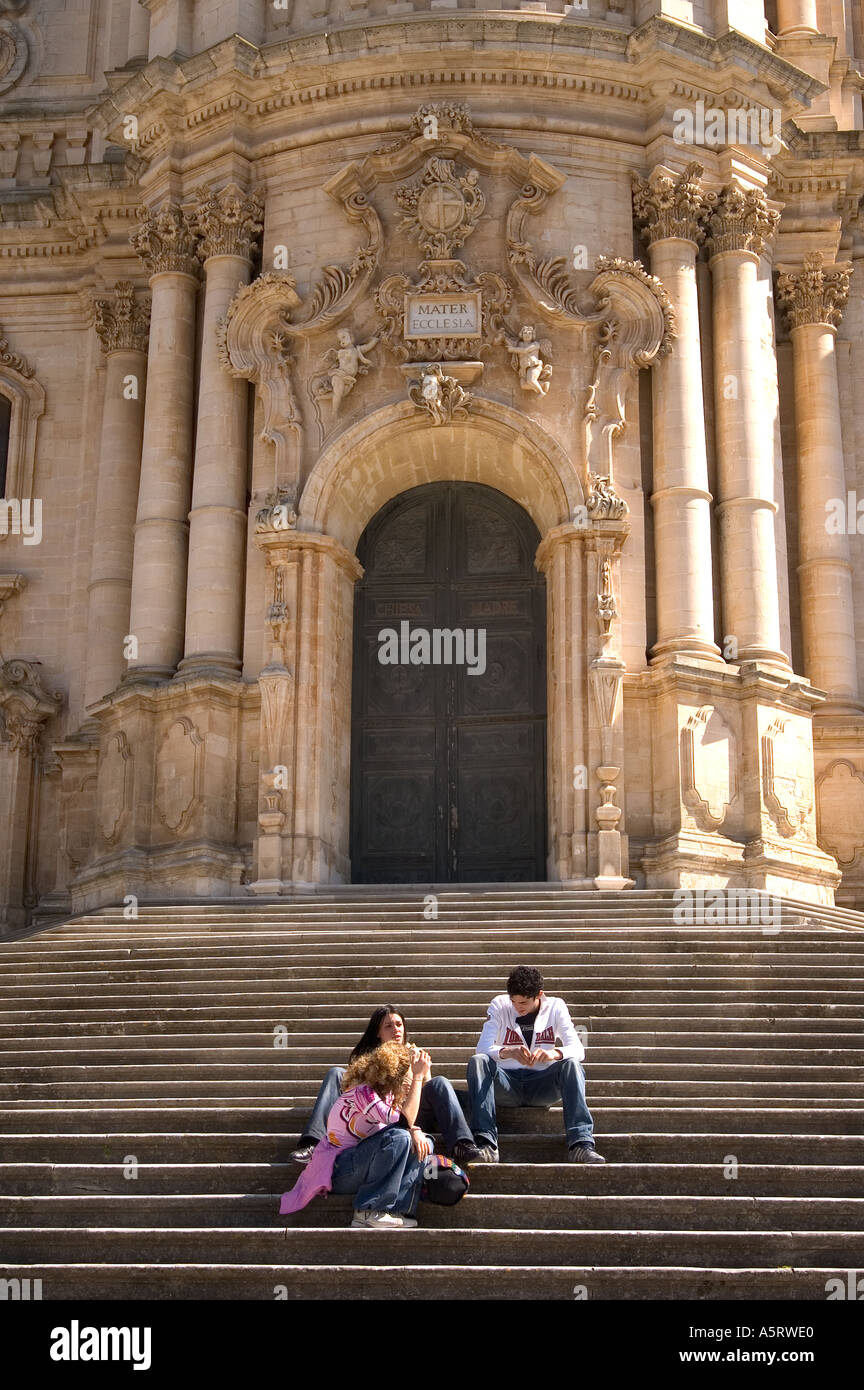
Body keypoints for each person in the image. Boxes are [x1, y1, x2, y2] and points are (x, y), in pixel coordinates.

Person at [290, 1004, 483, 1166]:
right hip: (373, 1119)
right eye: (389, 1026)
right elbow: (356, 1095)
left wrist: (419, 1075)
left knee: (439, 1083)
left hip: (409, 1116)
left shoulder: (417, 1055)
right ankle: (312, 1144)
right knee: (336, 1073)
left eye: (399, 1024)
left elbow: (429, 1093)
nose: (396, 1029)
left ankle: (461, 1144)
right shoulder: (366, 1059)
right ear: (378, 1033)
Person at [280, 1041, 429, 1229]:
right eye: (406, 1075)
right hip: (338, 1171)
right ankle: (367, 1210)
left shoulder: (387, 1098)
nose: (409, 1082)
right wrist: (417, 1078)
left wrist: (416, 1131)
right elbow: (402, 1123)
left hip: (359, 1164)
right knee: (401, 1137)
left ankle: (396, 1210)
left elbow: (401, 1124)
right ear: (395, 1076)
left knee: (425, 1142)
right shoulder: (364, 1094)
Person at [467, 965, 605, 1164]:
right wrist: (508, 1052)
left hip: (542, 1085)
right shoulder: (499, 1004)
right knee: (478, 1062)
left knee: (572, 1064)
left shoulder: (556, 1006)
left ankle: (581, 1144)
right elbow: (482, 1049)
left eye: (523, 1002)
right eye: (513, 1001)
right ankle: (486, 1143)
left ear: (539, 995)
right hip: (508, 1084)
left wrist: (554, 1053)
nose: (517, 1007)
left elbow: (578, 1048)